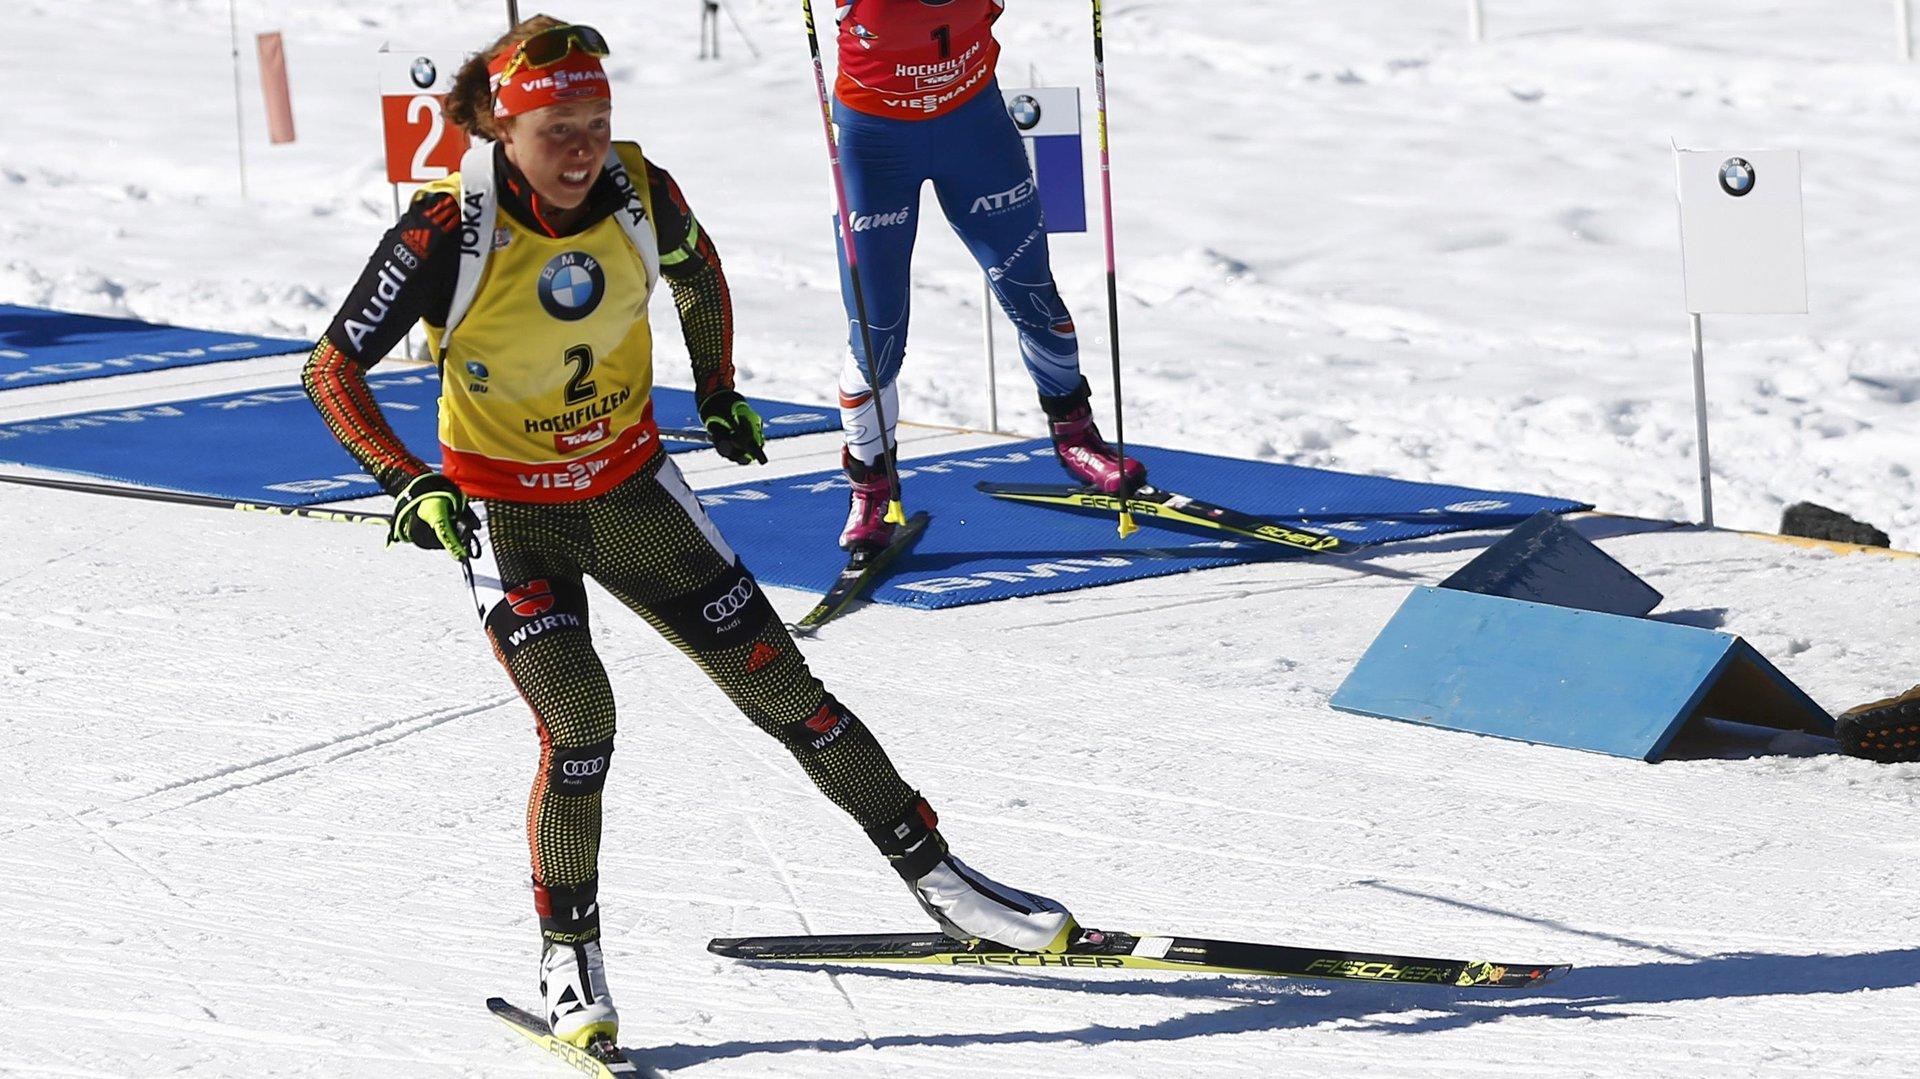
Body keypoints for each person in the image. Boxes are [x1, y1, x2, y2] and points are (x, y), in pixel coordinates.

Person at [302, 16, 1074, 1051]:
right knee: (580, 725)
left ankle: (943, 882)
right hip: (508, 512)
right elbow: (330, 367)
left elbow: (697, 270)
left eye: (595, 121)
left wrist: (716, 391)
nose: (580, 148)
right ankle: (570, 963)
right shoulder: (445, 230)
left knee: (789, 694)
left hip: (631, 492)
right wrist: (408, 480)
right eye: (554, 130)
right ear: (501, 128)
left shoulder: (635, 185)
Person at [826, 0, 1146, 554]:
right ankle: (871, 488)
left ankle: (1076, 435)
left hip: (972, 129)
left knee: (1032, 294)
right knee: (876, 333)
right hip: (876, 143)